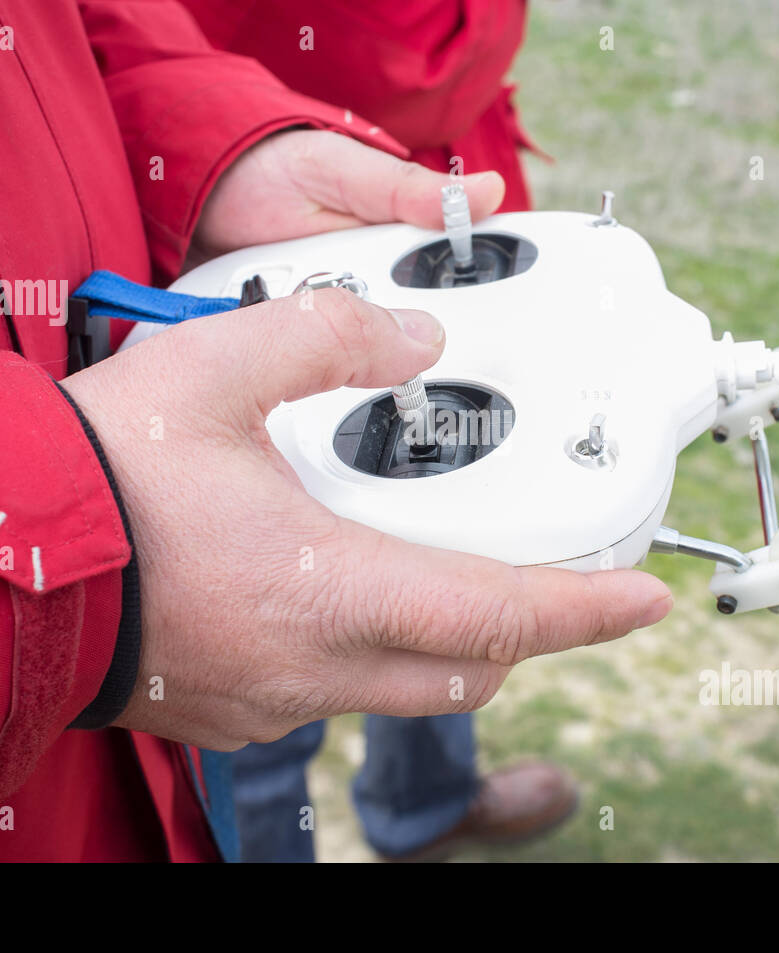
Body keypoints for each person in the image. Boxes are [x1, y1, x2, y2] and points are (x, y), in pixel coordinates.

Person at [0, 0, 672, 862]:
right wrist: (64, 582)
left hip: (126, 642)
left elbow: (65, 27)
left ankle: (423, 804)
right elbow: (421, 51)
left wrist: (210, 148)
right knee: (282, 701)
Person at [182, 0, 572, 863]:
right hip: (286, 222)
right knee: (274, 611)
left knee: (449, 563)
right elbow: (414, 54)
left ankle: (423, 803)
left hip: (425, 216)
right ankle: (272, 833)